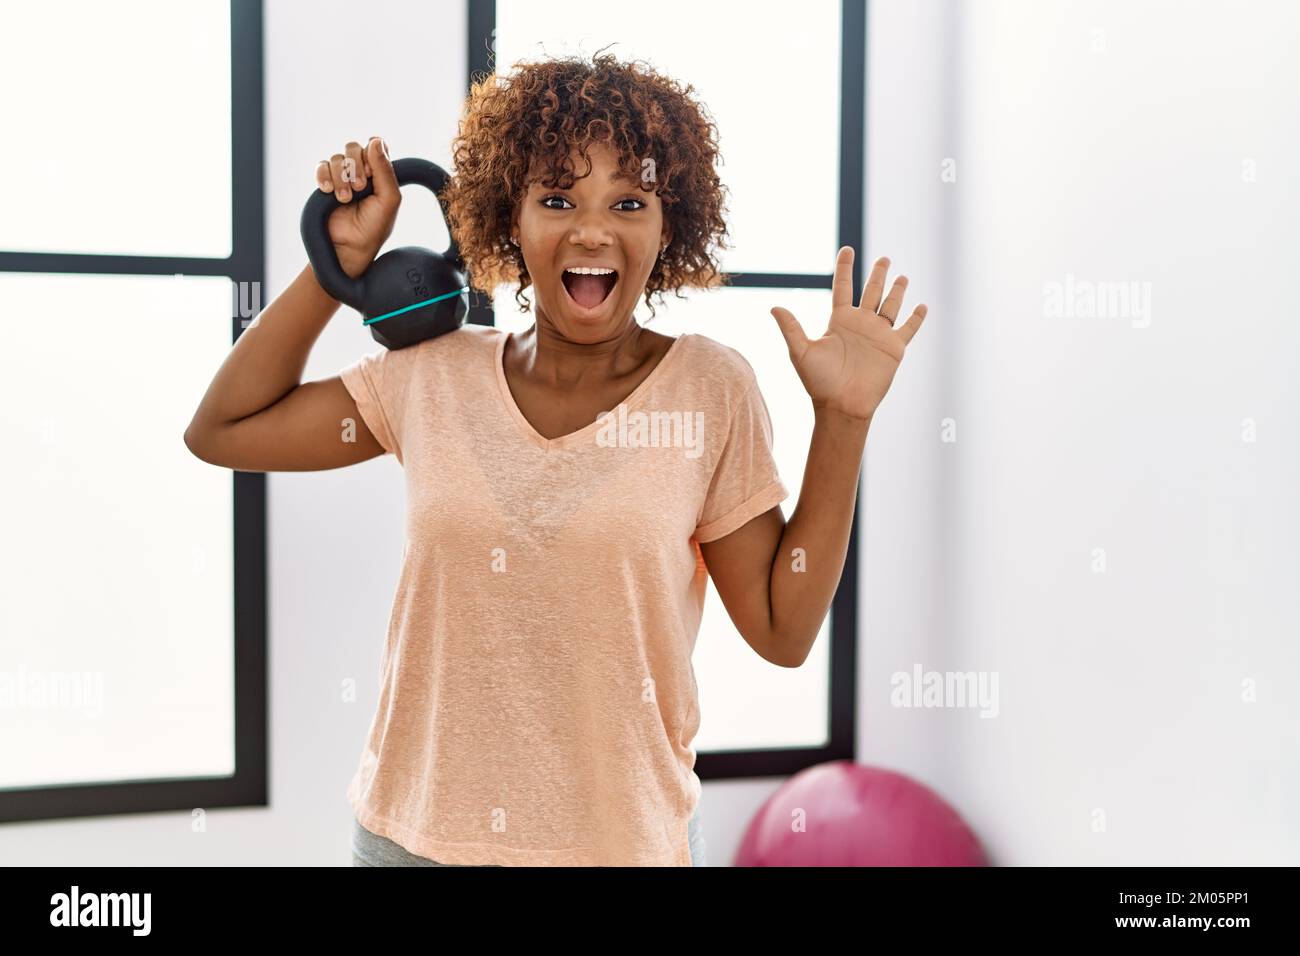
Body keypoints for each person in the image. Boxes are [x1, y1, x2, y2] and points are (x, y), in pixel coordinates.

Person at [183, 52, 927, 867]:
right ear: (510, 215)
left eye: (630, 201)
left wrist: (845, 420)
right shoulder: (434, 375)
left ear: (667, 226)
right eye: (558, 197)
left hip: (621, 845)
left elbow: (784, 632)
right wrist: (337, 272)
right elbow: (224, 428)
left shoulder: (710, 390)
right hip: (412, 839)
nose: (592, 229)